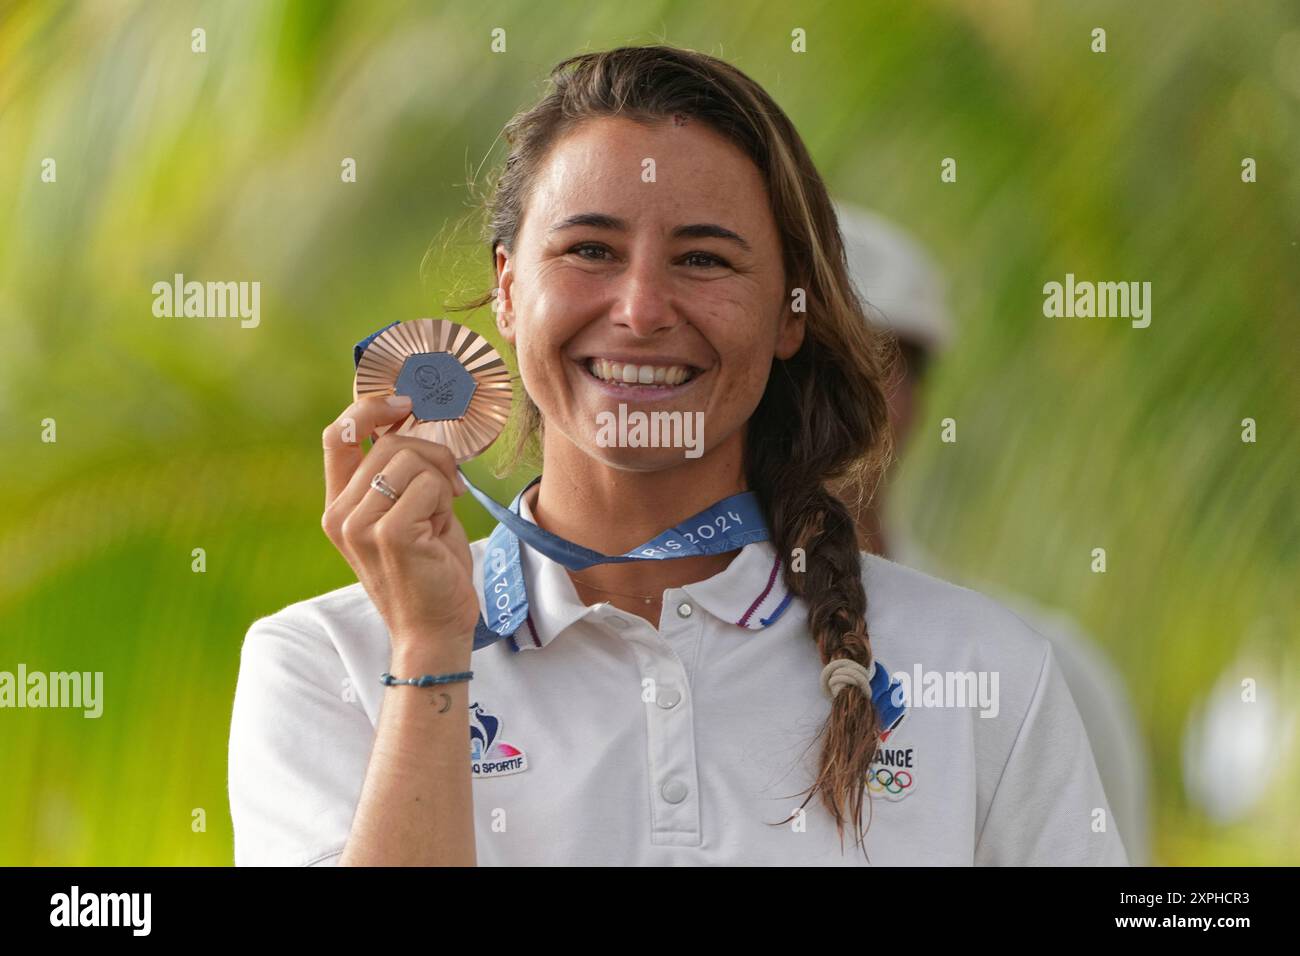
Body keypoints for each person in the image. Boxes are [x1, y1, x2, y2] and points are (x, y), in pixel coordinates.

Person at [227, 45, 1127, 866]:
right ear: (507, 290)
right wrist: (428, 648)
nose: (643, 308)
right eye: (589, 249)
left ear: (790, 315)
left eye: (704, 259)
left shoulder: (980, 669)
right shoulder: (325, 664)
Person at [830, 200, 1151, 864]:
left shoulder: (1047, 675)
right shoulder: (630, 648)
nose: (826, 397)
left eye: (869, 363)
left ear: (914, 399)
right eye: (800, 359)